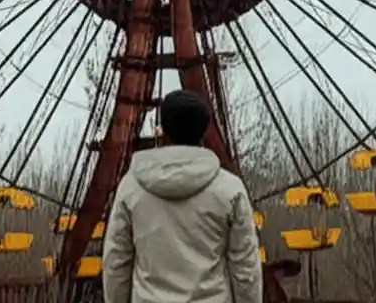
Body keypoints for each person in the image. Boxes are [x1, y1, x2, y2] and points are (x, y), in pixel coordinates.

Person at [102, 90, 262, 303]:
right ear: (203, 132)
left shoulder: (131, 187)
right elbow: (245, 269)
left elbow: (116, 263)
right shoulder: (230, 190)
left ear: (163, 130)